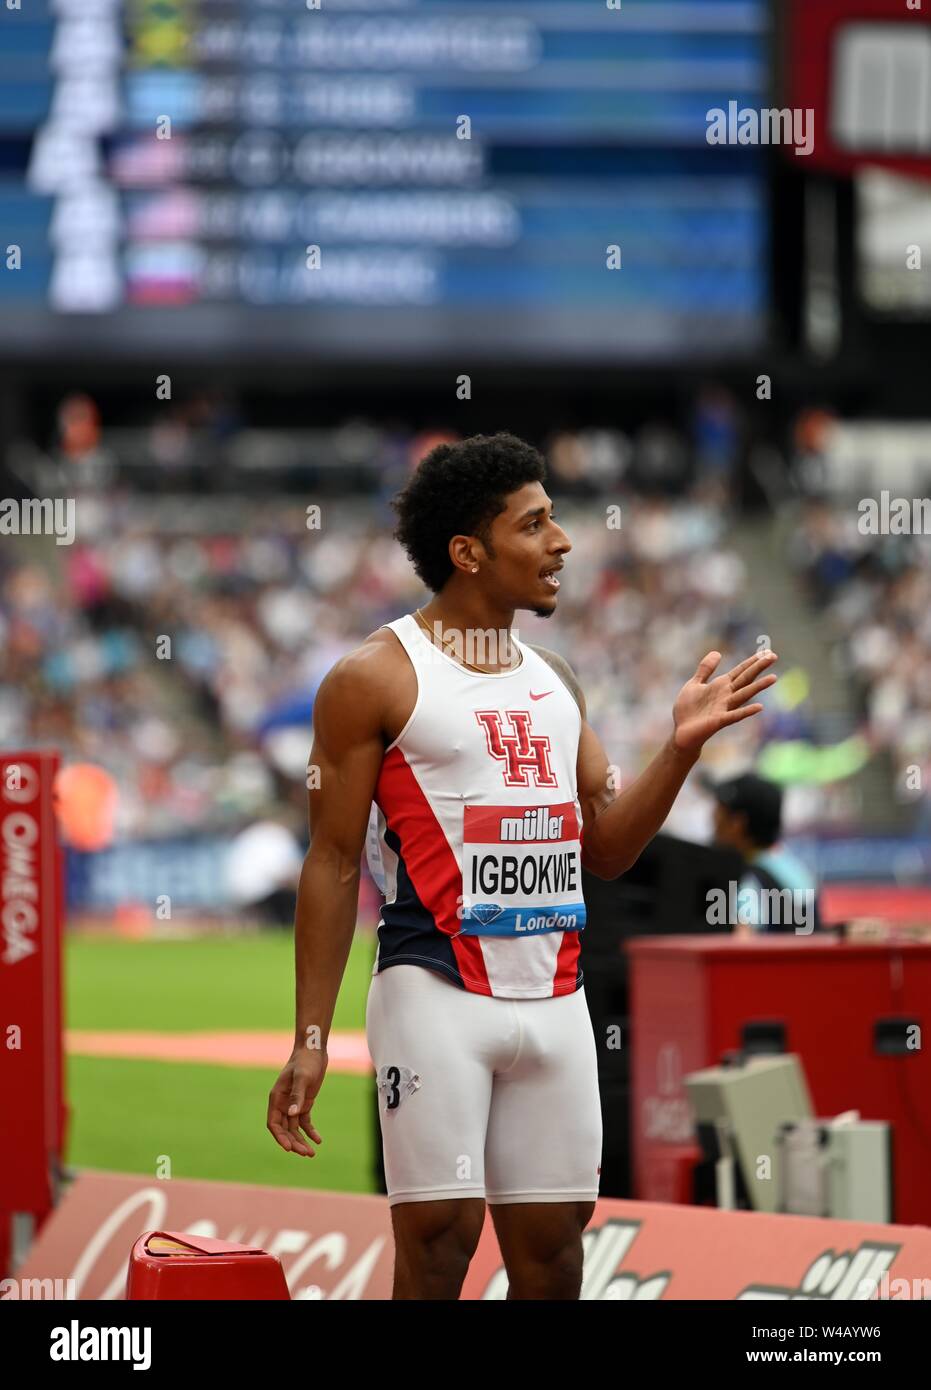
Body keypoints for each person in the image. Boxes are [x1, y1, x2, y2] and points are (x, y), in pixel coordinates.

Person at [266, 433, 778, 1300]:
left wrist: (679, 749)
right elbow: (332, 861)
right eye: (534, 524)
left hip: (556, 1003)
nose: (563, 542)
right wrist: (310, 1039)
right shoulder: (373, 679)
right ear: (468, 552)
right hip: (435, 993)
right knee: (437, 1245)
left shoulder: (556, 680)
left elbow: (609, 848)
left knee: (552, 1257)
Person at [706, 772, 822, 936]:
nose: (712, 817)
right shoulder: (793, 867)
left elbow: (743, 941)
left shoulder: (748, 881)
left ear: (737, 824)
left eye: (719, 810)